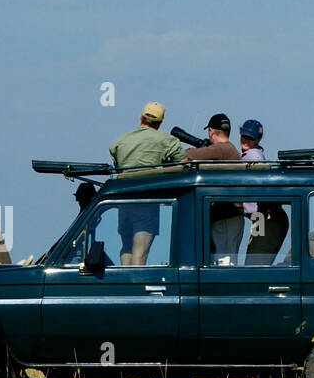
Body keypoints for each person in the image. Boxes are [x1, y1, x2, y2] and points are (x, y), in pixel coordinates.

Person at [109, 101, 183, 265]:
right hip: (147, 203)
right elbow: (183, 164)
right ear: (160, 122)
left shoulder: (121, 141)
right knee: (140, 254)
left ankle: (124, 284)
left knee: (126, 248)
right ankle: (136, 288)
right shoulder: (167, 140)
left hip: (124, 202)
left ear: (141, 117)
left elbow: (116, 162)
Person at [184, 113, 242, 263]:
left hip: (226, 216)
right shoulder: (230, 150)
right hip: (229, 216)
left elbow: (186, 156)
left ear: (210, 131)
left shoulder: (221, 149)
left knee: (224, 264)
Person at [235, 119, 289, 265]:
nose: (246, 140)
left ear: (258, 139)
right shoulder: (251, 154)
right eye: (244, 136)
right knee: (253, 256)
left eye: (251, 138)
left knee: (255, 264)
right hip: (259, 217)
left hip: (267, 217)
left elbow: (259, 168)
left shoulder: (254, 156)